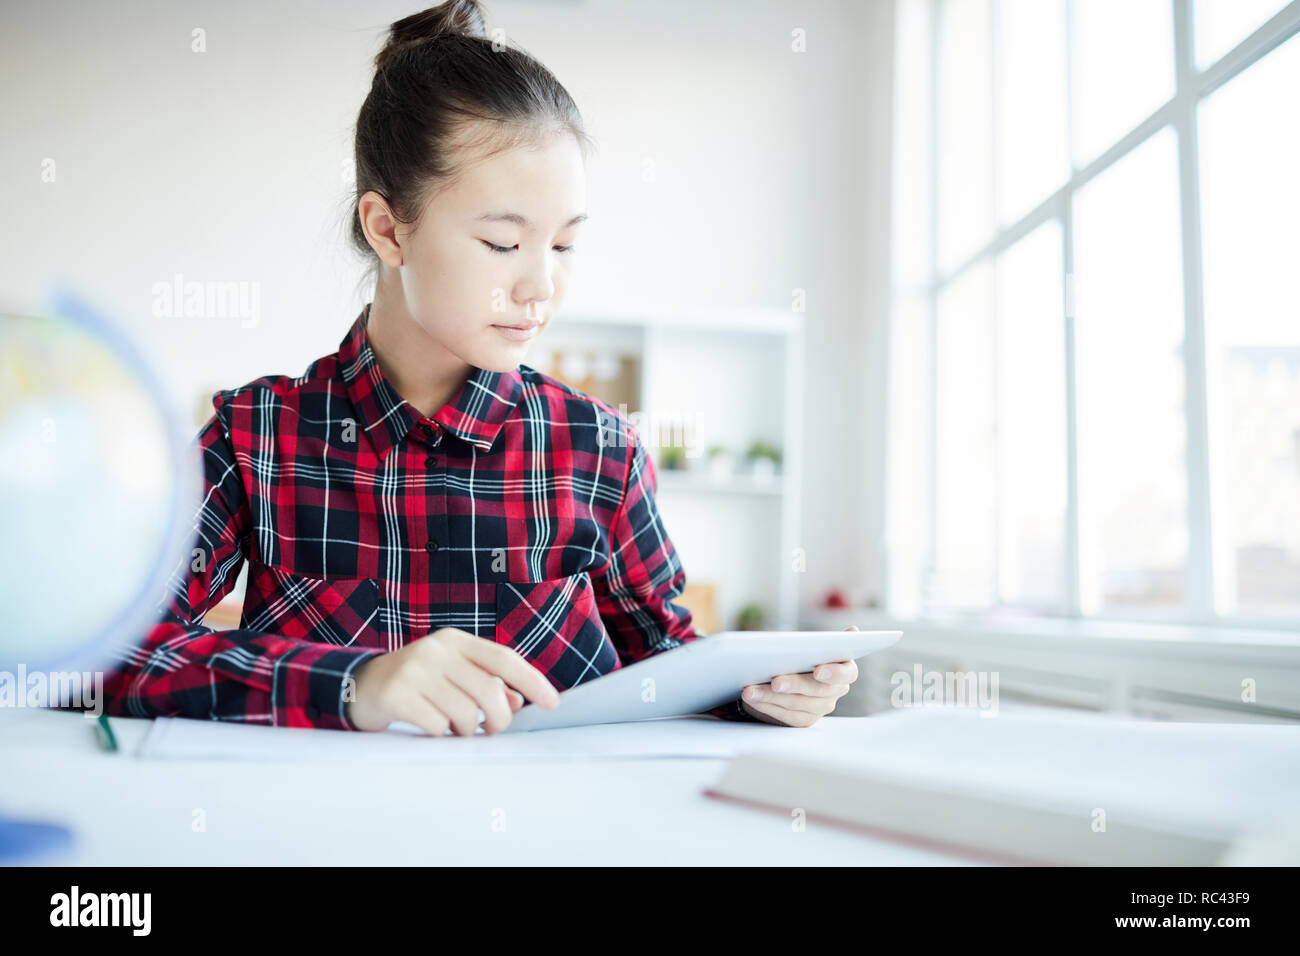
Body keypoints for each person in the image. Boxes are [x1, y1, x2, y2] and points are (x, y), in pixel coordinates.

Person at [99, 0, 859, 736]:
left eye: (562, 245)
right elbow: (106, 653)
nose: (541, 286)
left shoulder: (602, 449)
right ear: (388, 229)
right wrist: (355, 684)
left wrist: (757, 694)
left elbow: (666, 666)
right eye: (503, 243)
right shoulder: (255, 435)